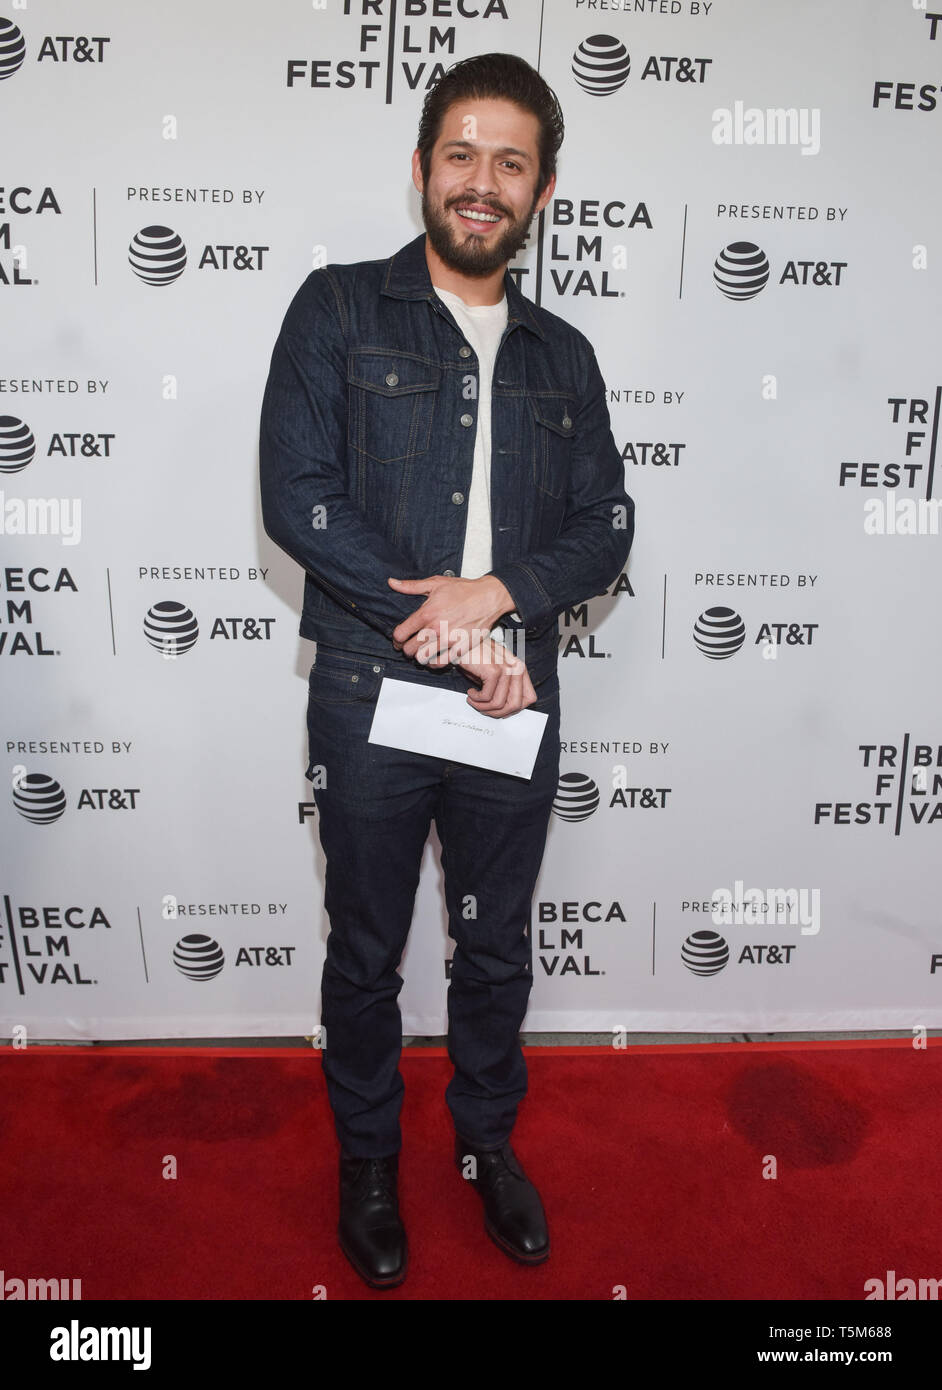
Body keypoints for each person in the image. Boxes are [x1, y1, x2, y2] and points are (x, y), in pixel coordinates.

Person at [259, 52, 635, 1289]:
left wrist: (508, 598)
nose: (483, 183)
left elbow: (608, 526)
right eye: (462, 155)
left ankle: (484, 1146)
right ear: (422, 168)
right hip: (377, 692)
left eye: (511, 163)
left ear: (543, 190)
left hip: (510, 706)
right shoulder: (336, 309)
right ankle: (369, 1159)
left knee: (496, 947)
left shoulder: (564, 355)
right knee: (364, 948)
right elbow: (299, 500)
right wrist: (470, 629)